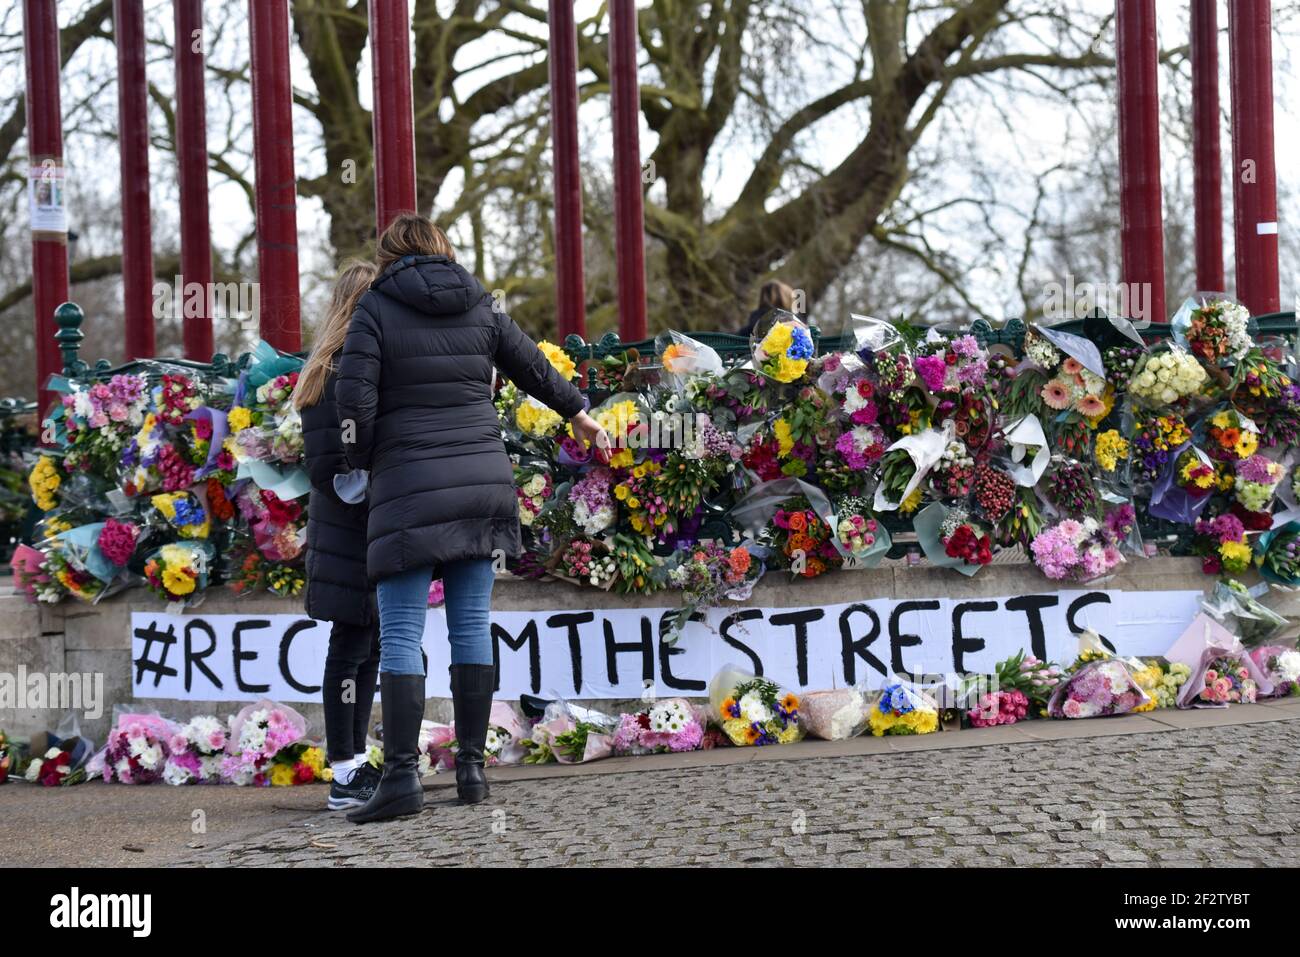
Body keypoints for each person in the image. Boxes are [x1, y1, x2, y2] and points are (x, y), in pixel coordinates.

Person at [336, 214, 609, 824]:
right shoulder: (478, 304)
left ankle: (402, 778)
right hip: (482, 484)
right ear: (442, 249)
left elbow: (353, 403)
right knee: (471, 625)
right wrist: (578, 413)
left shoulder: (375, 309)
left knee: (402, 632)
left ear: (388, 257)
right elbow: (532, 365)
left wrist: (364, 459)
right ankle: (472, 771)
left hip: (408, 488)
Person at [294, 259, 383, 811]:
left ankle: (353, 760)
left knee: (367, 646)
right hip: (350, 528)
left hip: (354, 528)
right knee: (350, 649)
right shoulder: (335, 373)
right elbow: (333, 468)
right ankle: (344, 769)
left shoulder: (339, 366)